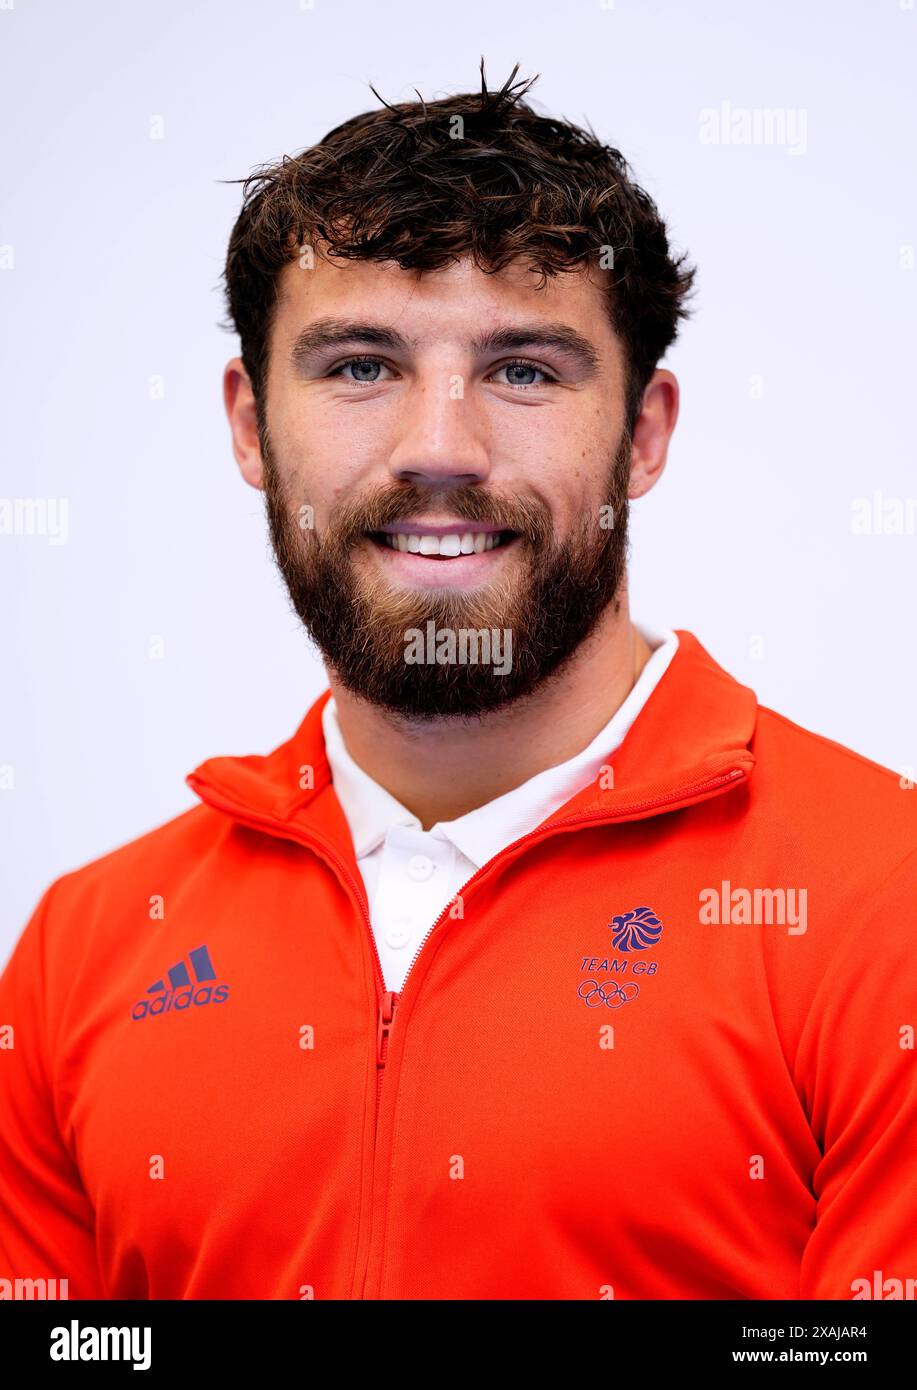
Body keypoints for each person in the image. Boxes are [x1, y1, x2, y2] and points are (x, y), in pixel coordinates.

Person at [1, 63, 914, 1302]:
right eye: (359, 366)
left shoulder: (883, 906)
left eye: (524, 370)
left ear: (642, 434)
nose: (441, 447)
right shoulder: (79, 956)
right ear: (248, 428)